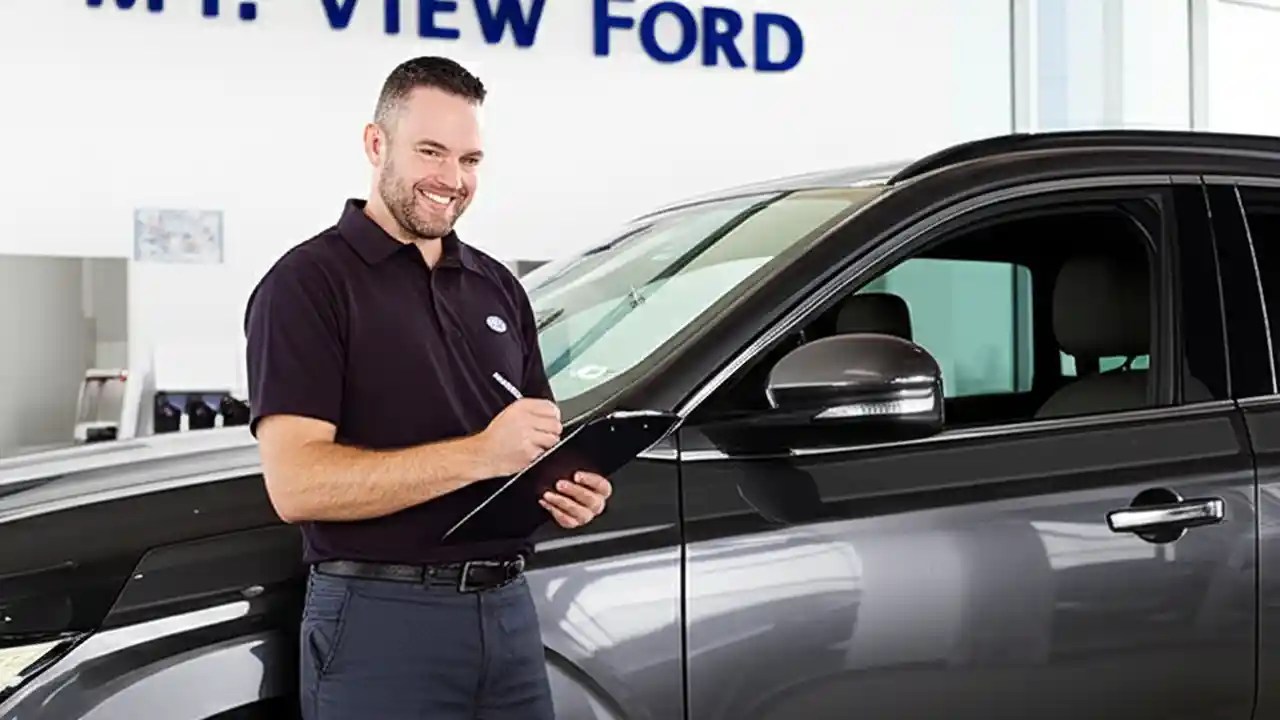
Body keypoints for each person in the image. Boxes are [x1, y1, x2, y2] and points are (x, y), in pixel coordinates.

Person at [242, 55, 612, 719]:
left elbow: (528, 443)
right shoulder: (307, 285)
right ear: (375, 144)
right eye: (431, 152)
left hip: (509, 612)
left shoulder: (497, 286)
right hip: (380, 623)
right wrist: (482, 453)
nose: (453, 179)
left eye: (470, 160)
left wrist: (566, 487)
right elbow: (296, 485)